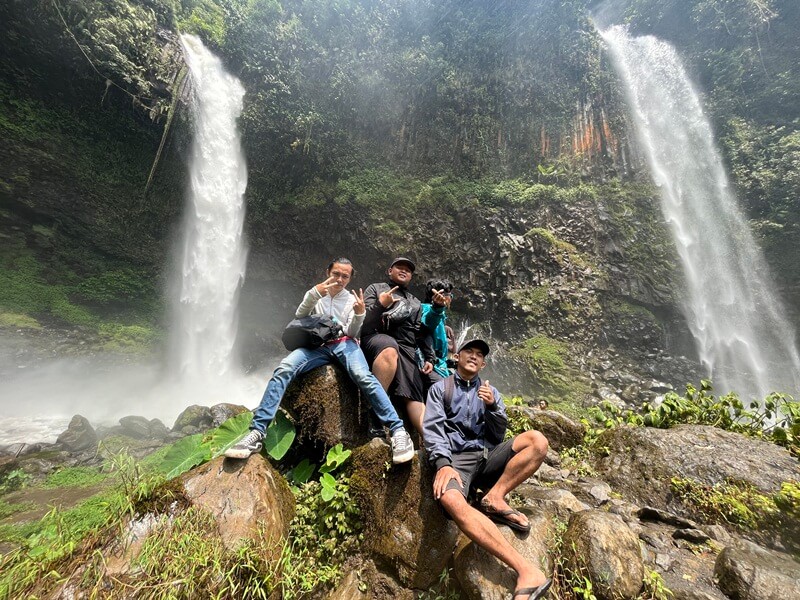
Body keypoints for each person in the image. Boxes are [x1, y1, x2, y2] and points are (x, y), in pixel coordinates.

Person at [226, 258, 415, 464]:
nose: (340, 279)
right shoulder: (317, 292)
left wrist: (360, 314)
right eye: (336, 274)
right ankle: (257, 433)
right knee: (284, 368)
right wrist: (314, 294)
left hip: (345, 343)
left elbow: (352, 332)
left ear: (350, 278)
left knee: (363, 376)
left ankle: (398, 431)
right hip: (317, 346)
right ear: (328, 272)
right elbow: (300, 316)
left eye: (345, 276)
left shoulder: (352, 300)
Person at [423, 339, 552, 600]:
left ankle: (494, 496)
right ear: (457, 357)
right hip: (456, 459)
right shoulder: (440, 389)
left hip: (485, 456)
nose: (474, 356)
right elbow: (433, 430)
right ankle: (526, 571)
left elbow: (497, 436)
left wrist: (493, 407)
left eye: (479, 354)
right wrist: (443, 465)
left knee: (537, 441)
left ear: (483, 363)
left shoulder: (490, 392)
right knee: (450, 499)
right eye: (469, 351)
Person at [360, 257, 448, 436]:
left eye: (408, 270)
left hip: (407, 348)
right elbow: (362, 321)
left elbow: (421, 333)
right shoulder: (376, 288)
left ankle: (435, 445)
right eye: (399, 267)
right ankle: (376, 415)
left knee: (416, 392)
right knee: (390, 348)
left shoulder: (415, 302)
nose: (403, 271)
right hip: (377, 338)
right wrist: (380, 305)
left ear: (411, 277)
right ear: (389, 271)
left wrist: (429, 357)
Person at [419, 278, 454, 390]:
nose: (451, 298)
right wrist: (437, 308)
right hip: (429, 367)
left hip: (439, 367)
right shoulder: (427, 310)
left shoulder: (441, 318)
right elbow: (427, 323)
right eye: (450, 295)